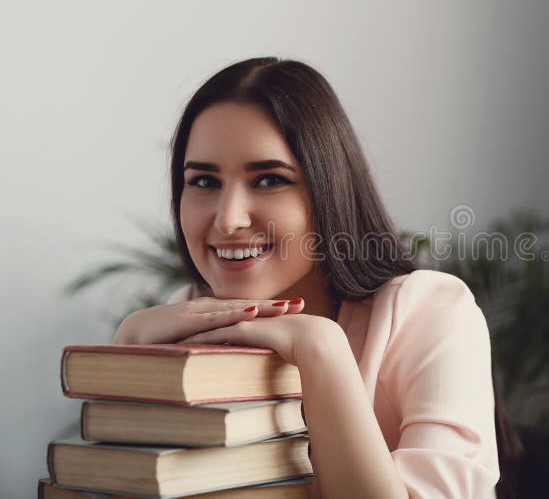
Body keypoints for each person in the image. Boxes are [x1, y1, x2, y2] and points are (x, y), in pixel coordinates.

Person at [112, 57, 501, 498]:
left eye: (268, 180)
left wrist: (322, 353)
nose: (228, 219)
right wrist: (125, 358)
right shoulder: (184, 316)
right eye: (203, 181)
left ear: (327, 190)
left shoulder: (429, 312)